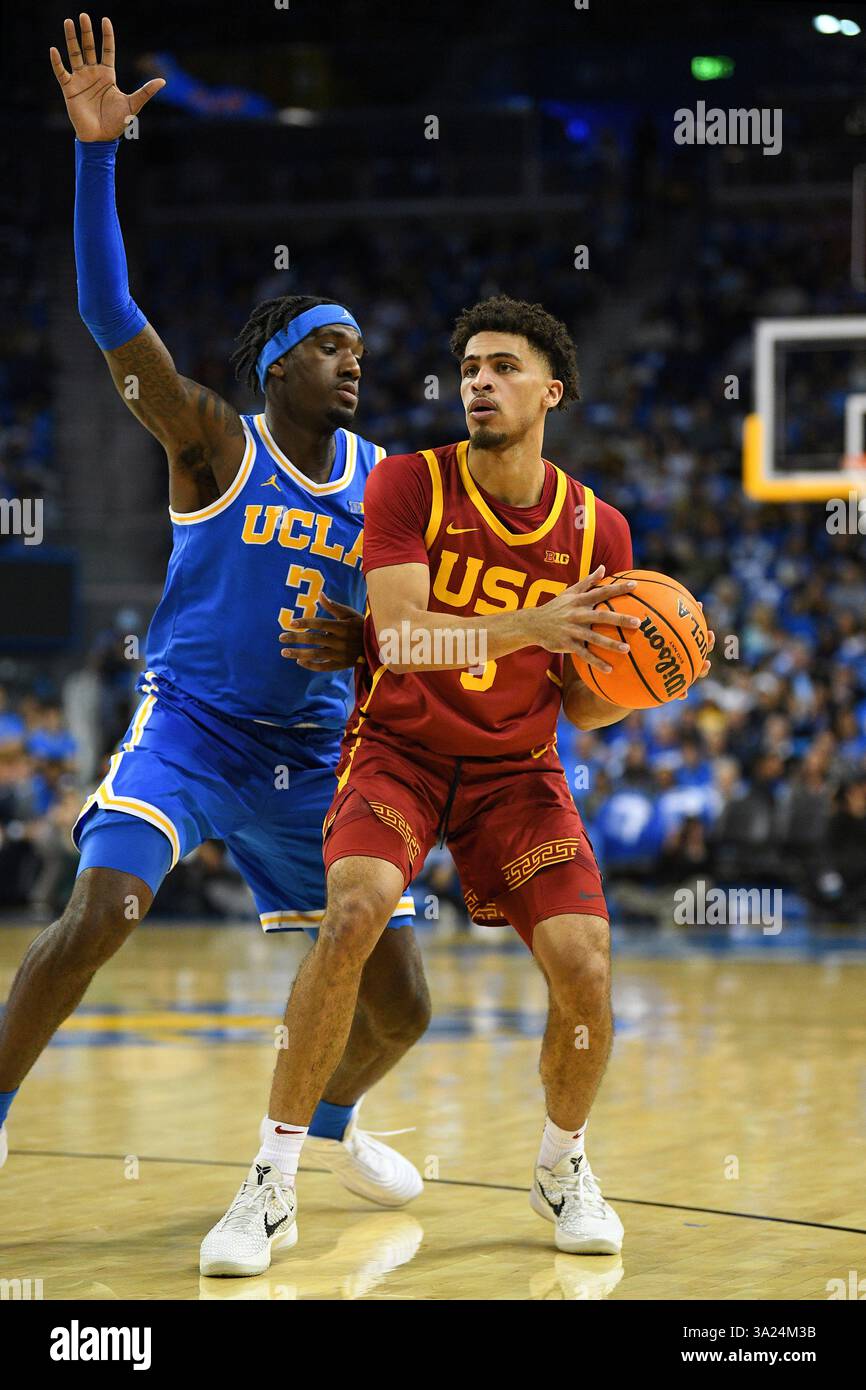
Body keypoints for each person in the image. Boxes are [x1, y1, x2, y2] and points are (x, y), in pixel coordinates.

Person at [0, 15, 430, 1263]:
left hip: (312, 756)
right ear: (277, 365)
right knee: (103, 907)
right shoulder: (209, 439)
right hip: (192, 726)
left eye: (359, 343)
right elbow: (106, 308)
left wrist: (366, 640)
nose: (355, 360)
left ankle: (334, 1124)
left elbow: (403, 626)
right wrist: (96, 156)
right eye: (330, 344)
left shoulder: (389, 481)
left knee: (404, 1004)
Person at [202, 293, 714, 1267]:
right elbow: (395, 636)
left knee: (587, 965)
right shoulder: (407, 485)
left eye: (503, 366)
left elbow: (580, 701)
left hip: (515, 770)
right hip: (398, 748)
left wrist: (644, 679)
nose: (479, 380)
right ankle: (268, 1182)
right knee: (351, 915)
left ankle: (561, 1165)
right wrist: (530, 623)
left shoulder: (597, 529)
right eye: (470, 366)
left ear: (550, 390)